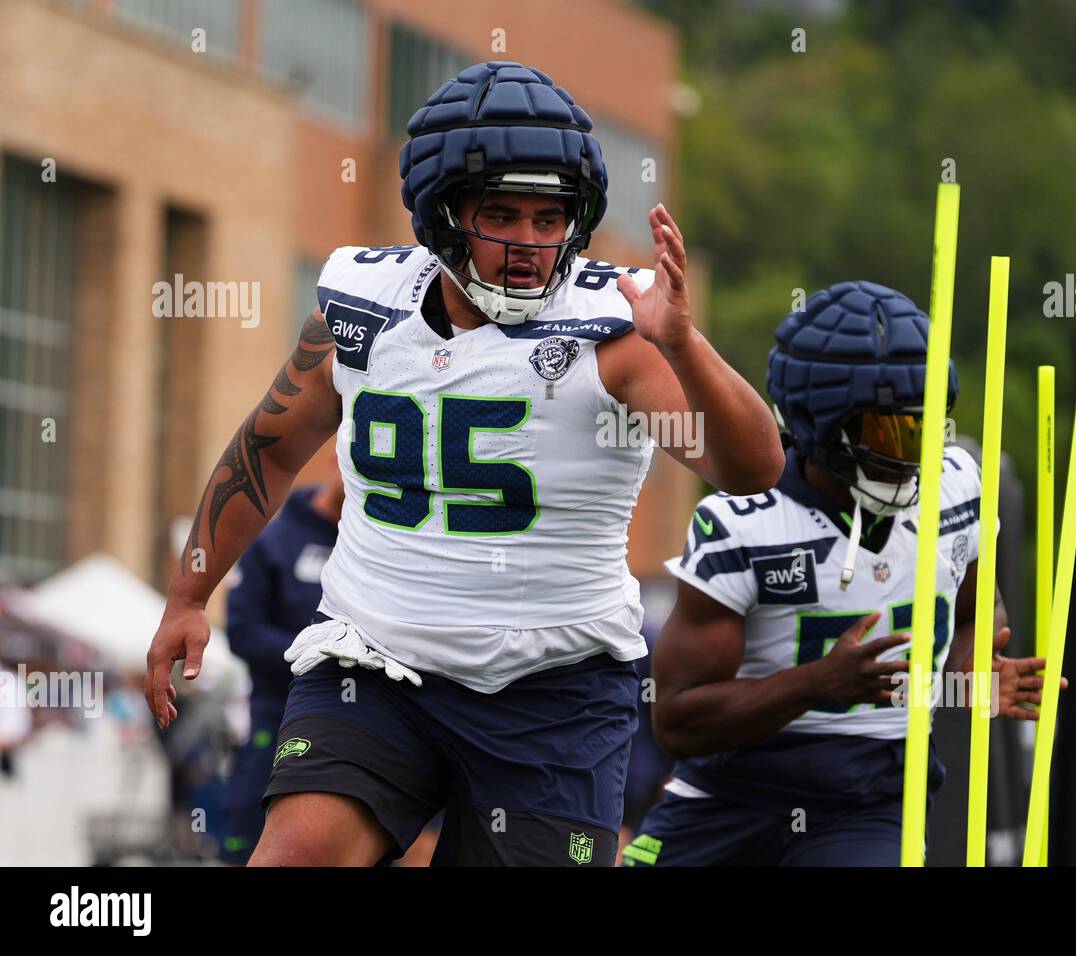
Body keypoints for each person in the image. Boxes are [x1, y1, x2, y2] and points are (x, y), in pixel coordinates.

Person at [144, 60, 784, 867]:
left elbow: (754, 469)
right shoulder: (361, 311)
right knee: (295, 855)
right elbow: (267, 453)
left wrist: (685, 347)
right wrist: (188, 594)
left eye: (549, 219)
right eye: (502, 215)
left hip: (555, 685)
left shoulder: (617, 330)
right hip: (375, 662)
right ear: (442, 215)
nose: (528, 243)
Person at [623, 280, 1062, 867]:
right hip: (730, 793)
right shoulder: (745, 525)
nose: (913, 457)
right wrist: (814, 685)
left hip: (868, 799)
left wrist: (968, 673)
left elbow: (975, 614)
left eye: (925, 428)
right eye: (891, 433)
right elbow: (677, 720)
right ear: (820, 424)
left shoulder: (956, 490)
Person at [218, 464, 343, 864]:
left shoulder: (373, 544)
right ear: (342, 460)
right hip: (276, 725)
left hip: (358, 727)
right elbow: (242, 631)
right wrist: (320, 652)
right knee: (254, 844)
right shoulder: (273, 541)